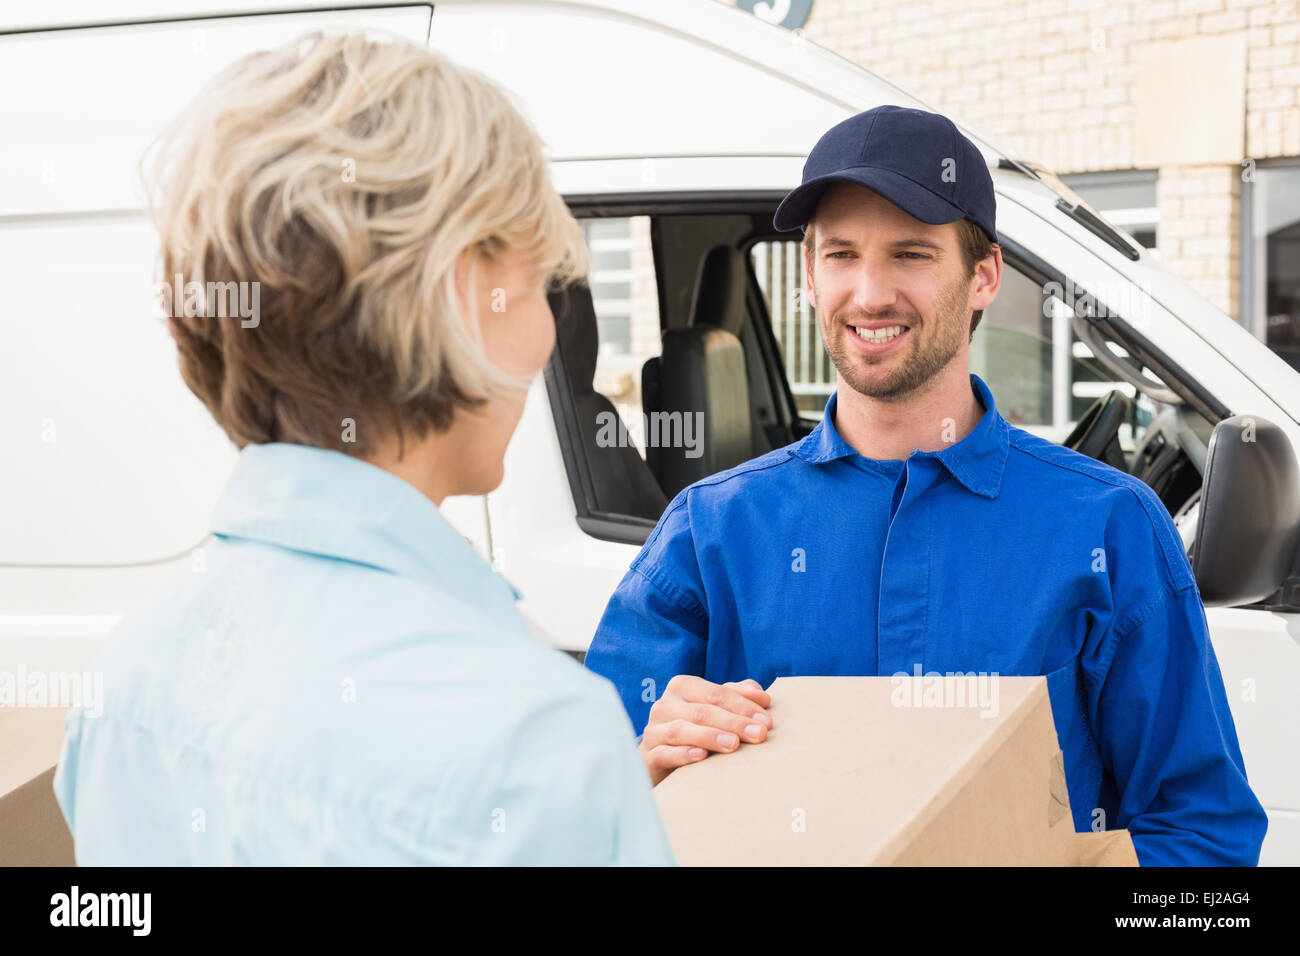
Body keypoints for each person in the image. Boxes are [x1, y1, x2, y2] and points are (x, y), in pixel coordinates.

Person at [585, 105, 1268, 866]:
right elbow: (574, 818)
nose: (871, 294)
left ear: (983, 276)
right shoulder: (709, 532)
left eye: (911, 254)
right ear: (809, 277)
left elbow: (1207, 841)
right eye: (841, 254)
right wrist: (642, 769)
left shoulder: (1109, 528)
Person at [53, 31, 673, 865]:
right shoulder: (539, 739)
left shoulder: (125, 678)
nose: (544, 336)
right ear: (460, 298)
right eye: (534, 290)